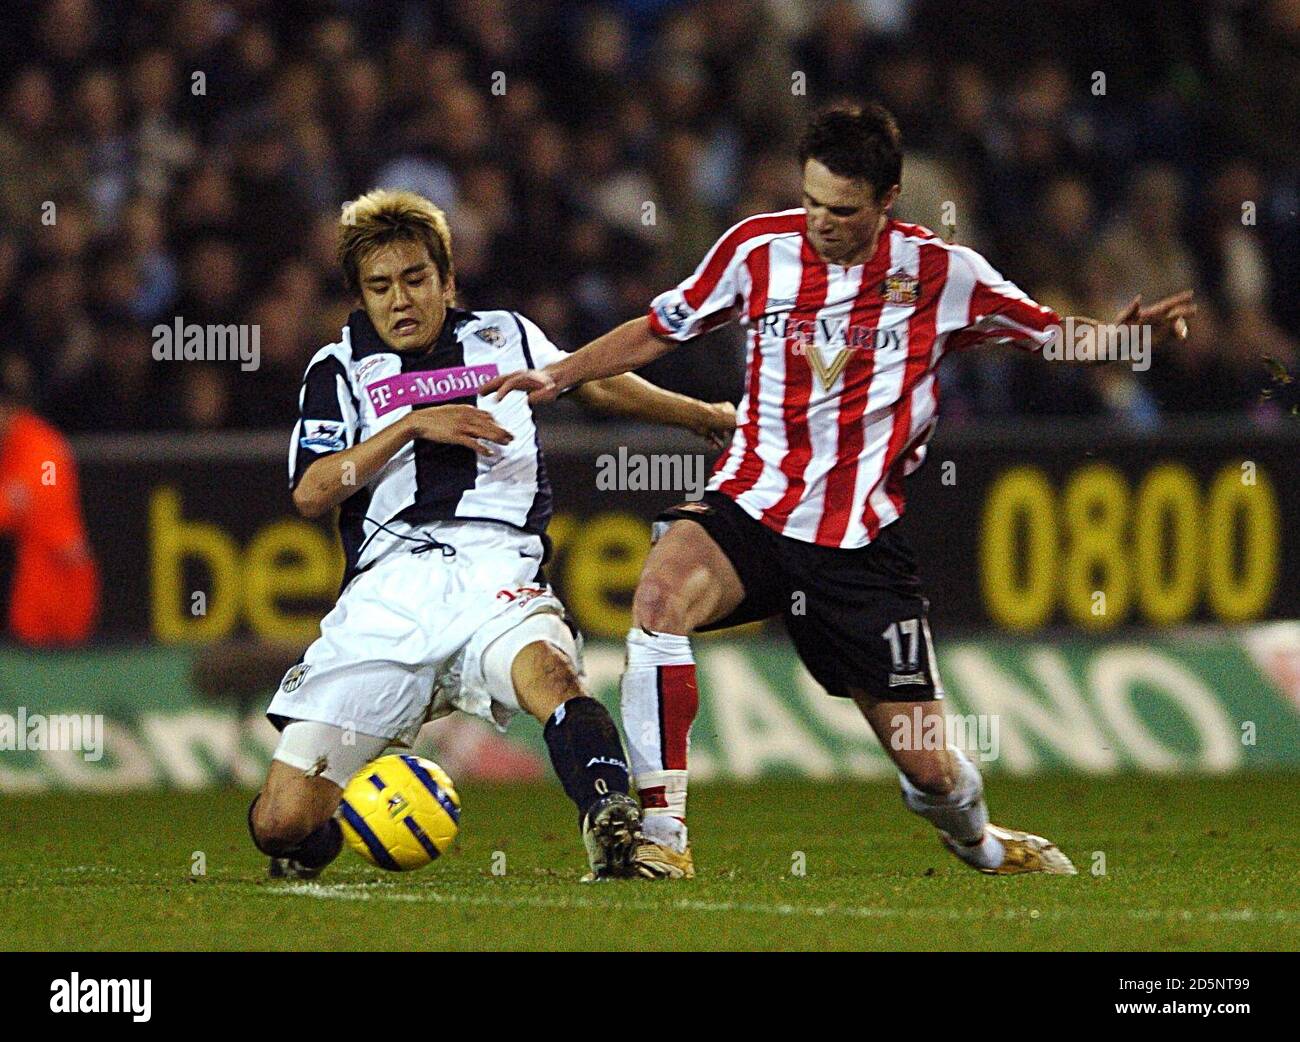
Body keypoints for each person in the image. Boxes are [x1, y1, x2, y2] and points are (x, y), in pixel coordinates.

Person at [484, 104, 1195, 880]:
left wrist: (1123, 336)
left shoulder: (941, 274)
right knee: (657, 601)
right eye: (813, 201)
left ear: (888, 199)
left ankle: (983, 842)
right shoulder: (757, 250)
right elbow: (660, 326)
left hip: (859, 551)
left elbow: (1049, 334)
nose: (822, 222)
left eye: (843, 211)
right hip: (751, 505)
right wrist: (559, 373)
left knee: (933, 774)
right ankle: (666, 838)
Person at [248, 189, 735, 881]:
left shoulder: (504, 333)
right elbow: (311, 491)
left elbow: (591, 385)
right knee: (279, 822)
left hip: (495, 568)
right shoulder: (338, 369)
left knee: (552, 675)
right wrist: (414, 424)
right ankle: (316, 837)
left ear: (447, 280)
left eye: (416, 279)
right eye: (380, 287)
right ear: (360, 297)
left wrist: (696, 415)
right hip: (389, 590)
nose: (401, 301)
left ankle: (609, 821)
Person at [0, 358, 100, 645]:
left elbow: (36, 494)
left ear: (10, 409)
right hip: (32, 569)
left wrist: (14, 500)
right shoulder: (9, 445)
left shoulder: (42, 447)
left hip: (61, 573)